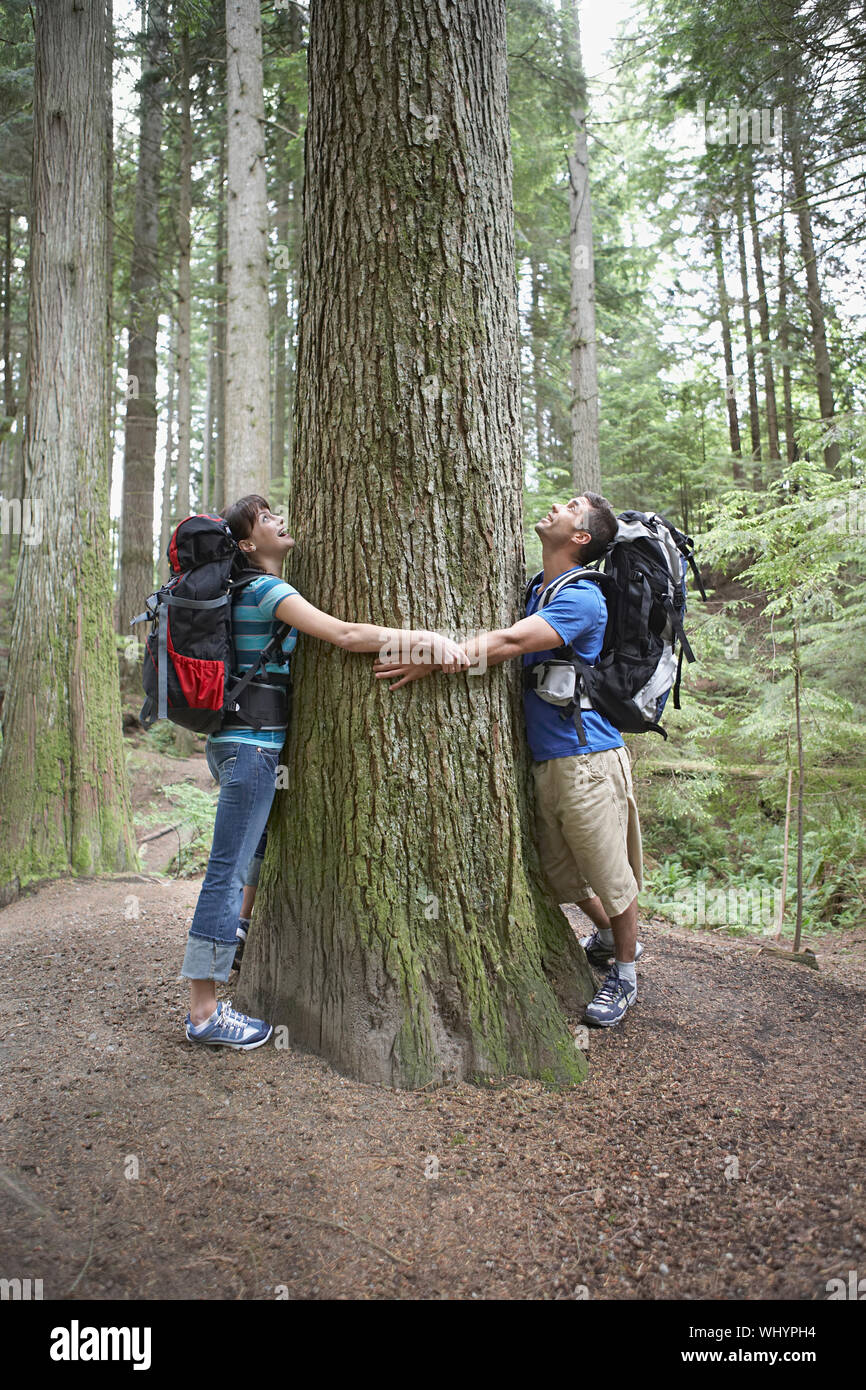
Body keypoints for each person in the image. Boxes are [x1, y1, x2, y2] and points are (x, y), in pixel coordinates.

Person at [182, 494, 469, 1049]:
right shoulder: (265, 589)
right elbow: (345, 635)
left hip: (234, 747)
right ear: (246, 544)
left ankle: (237, 937)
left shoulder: (236, 591)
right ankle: (203, 1013)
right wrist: (425, 639)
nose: (280, 520)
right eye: (266, 519)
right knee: (227, 868)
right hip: (252, 751)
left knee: (254, 853)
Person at [374, 492, 645, 1028]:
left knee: (609, 873)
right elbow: (503, 648)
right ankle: (611, 936)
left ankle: (626, 974)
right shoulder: (538, 588)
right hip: (549, 756)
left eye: (570, 506)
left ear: (582, 537)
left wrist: (430, 658)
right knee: (556, 869)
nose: (555, 507)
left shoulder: (583, 597)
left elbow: (509, 642)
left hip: (586, 755)